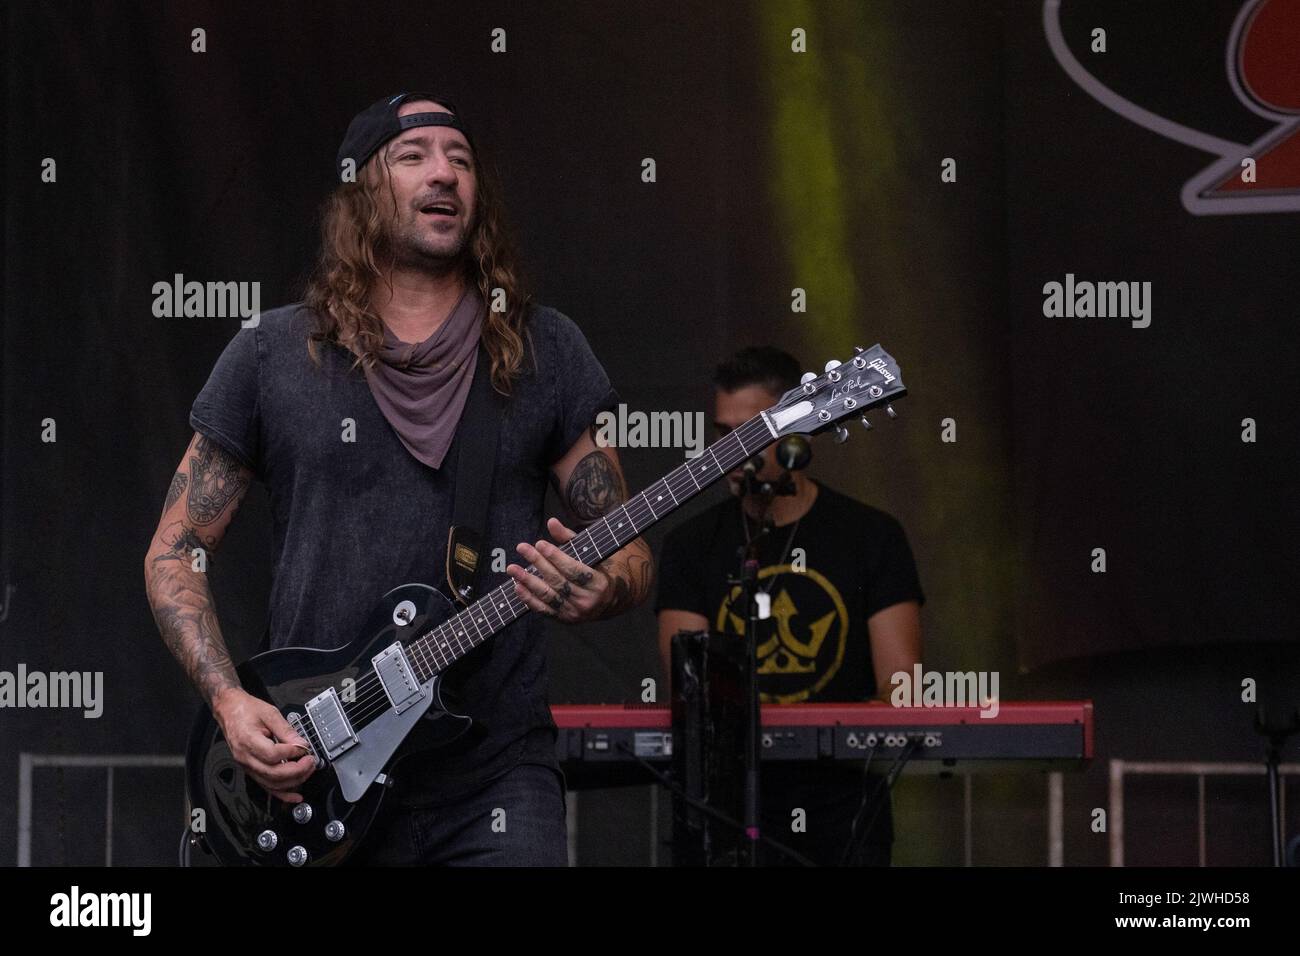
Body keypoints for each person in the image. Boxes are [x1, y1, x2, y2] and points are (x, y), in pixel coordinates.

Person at [144, 91, 653, 866]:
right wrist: (229, 702)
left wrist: (606, 587)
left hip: (494, 774)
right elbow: (173, 552)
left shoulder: (545, 349)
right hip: (315, 773)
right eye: (413, 157)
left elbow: (632, 551)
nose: (443, 174)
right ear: (361, 191)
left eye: (461, 159)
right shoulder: (274, 353)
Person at [655, 345, 924, 866]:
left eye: (750, 433)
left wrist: (811, 732)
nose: (730, 451)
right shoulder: (691, 545)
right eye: (722, 434)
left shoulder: (871, 537)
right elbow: (690, 693)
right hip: (721, 819)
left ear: (794, 431)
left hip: (841, 817)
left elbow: (902, 691)